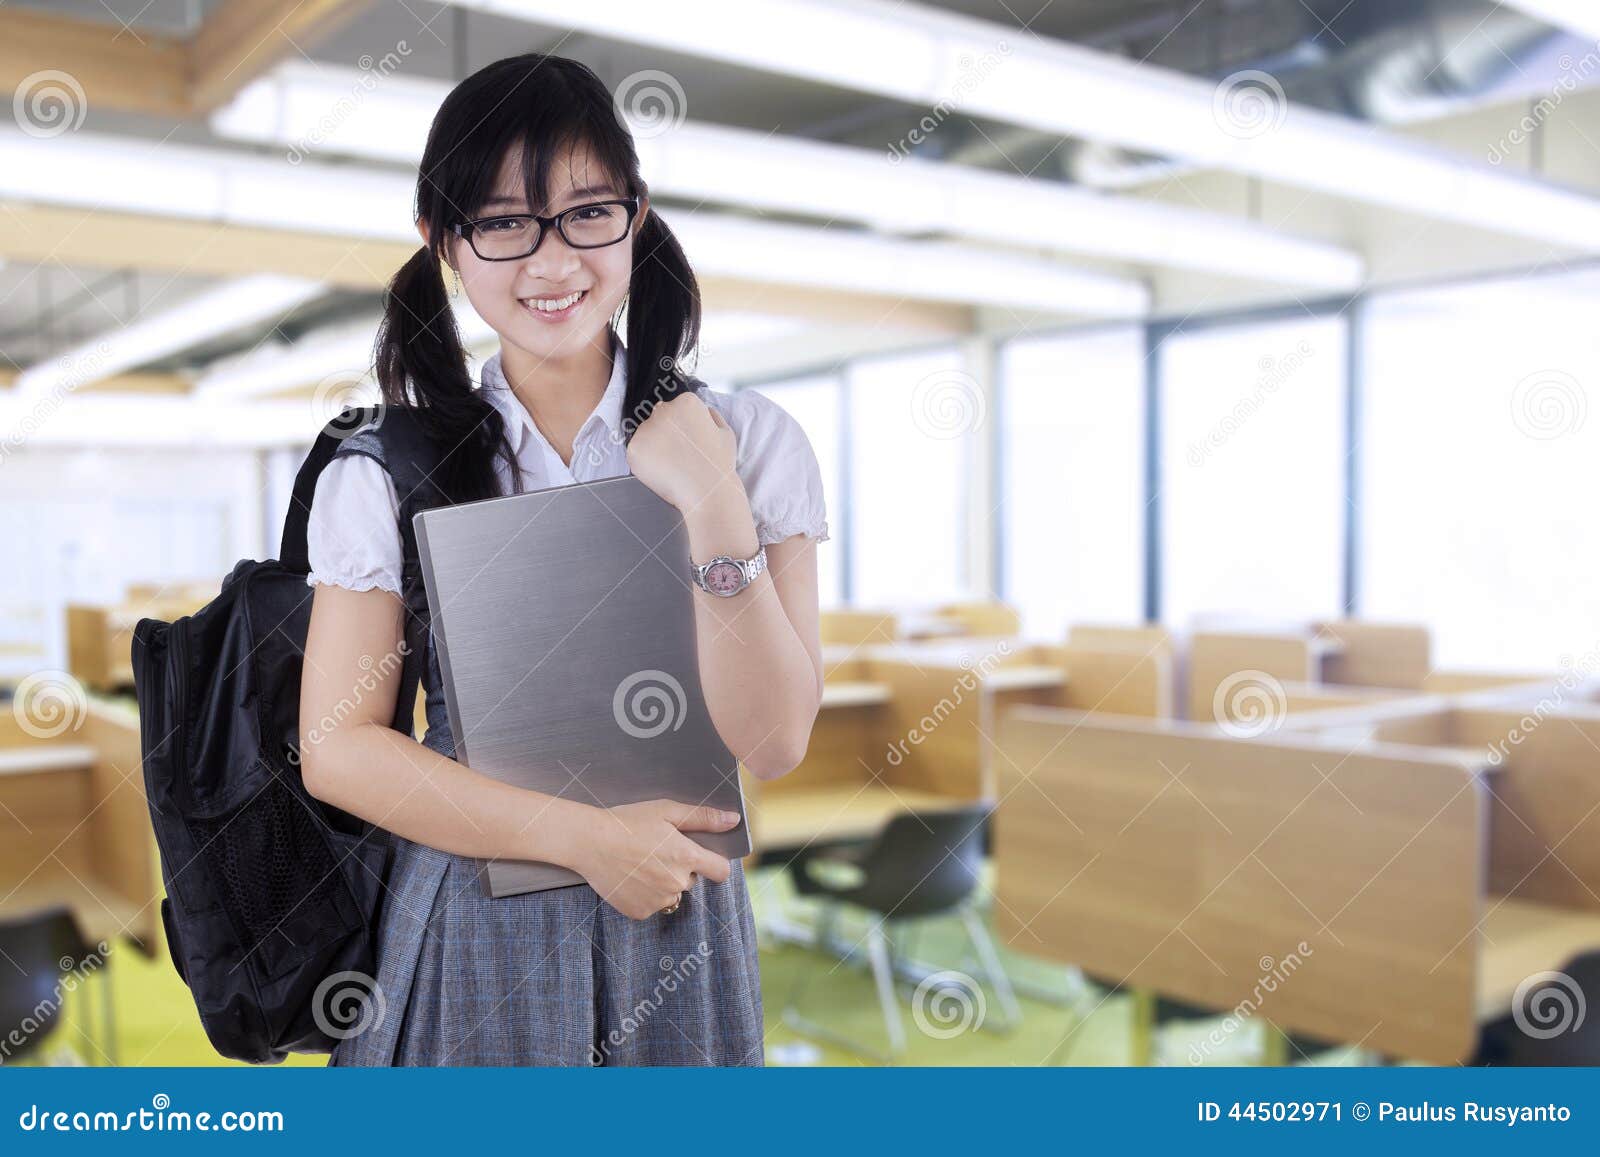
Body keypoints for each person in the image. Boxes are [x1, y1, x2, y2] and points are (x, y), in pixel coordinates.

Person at [298, 52, 828, 1066]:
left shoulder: (751, 440)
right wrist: (585, 837)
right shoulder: (386, 467)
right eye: (502, 222)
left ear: (637, 213)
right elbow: (337, 746)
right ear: (442, 240)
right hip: (472, 913)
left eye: (589, 212)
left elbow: (771, 741)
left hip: (683, 907)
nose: (552, 262)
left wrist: (715, 505)